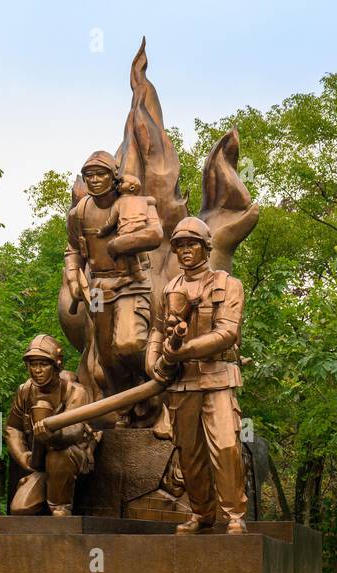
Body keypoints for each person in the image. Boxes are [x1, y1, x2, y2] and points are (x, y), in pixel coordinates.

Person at [147, 218, 248, 534]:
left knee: (227, 445)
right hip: (182, 383)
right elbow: (157, 329)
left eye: (191, 244)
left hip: (217, 378)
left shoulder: (227, 284)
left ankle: (234, 515)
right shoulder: (170, 288)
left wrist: (184, 350)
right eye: (179, 245)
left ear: (206, 246)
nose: (184, 250)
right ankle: (202, 513)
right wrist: (153, 359)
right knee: (189, 454)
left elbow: (227, 332)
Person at [64, 151, 164, 421]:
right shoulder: (79, 213)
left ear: (114, 176)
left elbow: (156, 233)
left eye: (101, 174)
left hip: (131, 283)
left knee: (129, 344)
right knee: (106, 358)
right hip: (97, 289)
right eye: (89, 176)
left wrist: (123, 244)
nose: (95, 180)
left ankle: (153, 381)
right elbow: (72, 250)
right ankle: (127, 407)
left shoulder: (136, 203)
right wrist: (74, 277)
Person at [5, 335, 98, 517]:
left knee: (58, 454)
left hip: (73, 457)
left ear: (57, 365)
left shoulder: (75, 391)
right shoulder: (25, 391)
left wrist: (53, 436)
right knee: (20, 508)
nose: (37, 370)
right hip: (40, 461)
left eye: (43, 364)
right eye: (32, 364)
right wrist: (23, 456)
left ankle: (61, 508)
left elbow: (76, 429)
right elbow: (12, 428)